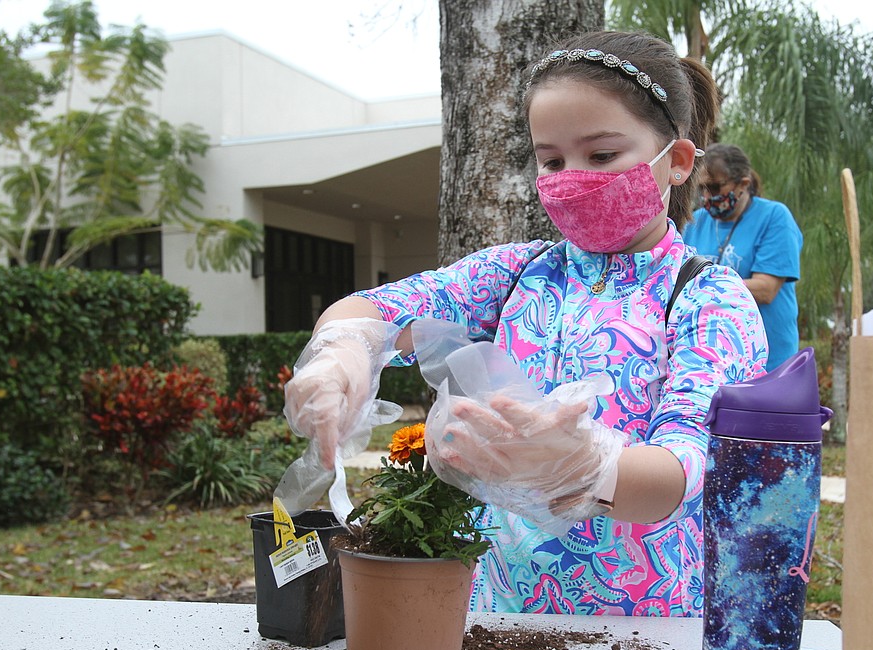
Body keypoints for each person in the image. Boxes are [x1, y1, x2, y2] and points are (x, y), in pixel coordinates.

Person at [283, 31, 767, 617]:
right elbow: (380, 309)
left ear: (678, 163)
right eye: (552, 160)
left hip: (646, 636)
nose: (573, 177)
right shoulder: (518, 273)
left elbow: (688, 469)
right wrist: (345, 352)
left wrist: (588, 465)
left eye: (602, 155)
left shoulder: (708, 299)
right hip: (499, 621)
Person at [682, 143, 803, 370]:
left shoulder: (774, 218)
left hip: (768, 364)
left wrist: (700, 285)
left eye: (715, 188)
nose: (707, 197)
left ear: (743, 184)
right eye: (702, 189)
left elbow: (765, 289)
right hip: (710, 363)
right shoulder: (693, 223)